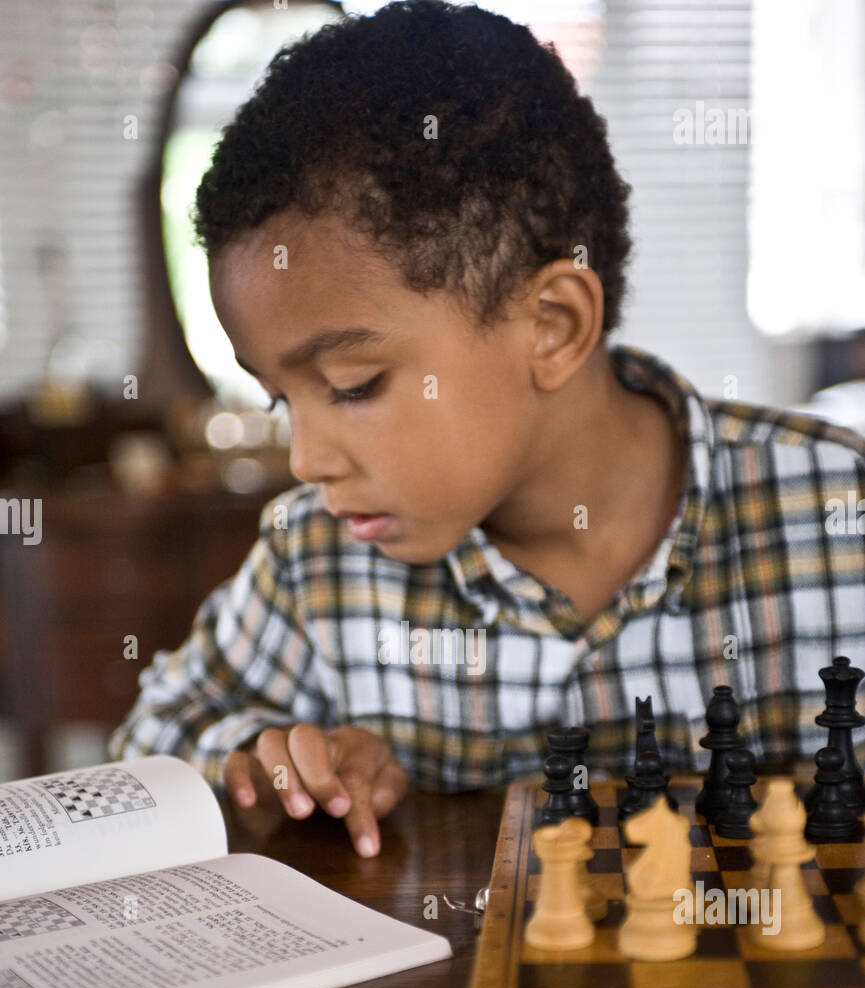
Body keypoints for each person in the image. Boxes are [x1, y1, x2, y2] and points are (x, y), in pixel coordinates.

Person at [109, 0, 865, 857]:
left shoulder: (838, 512)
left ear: (550, 325)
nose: (307, 459)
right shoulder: (314, 561)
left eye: (353, 386)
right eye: (281, 400)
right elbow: (148, 748)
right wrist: (260, 764)